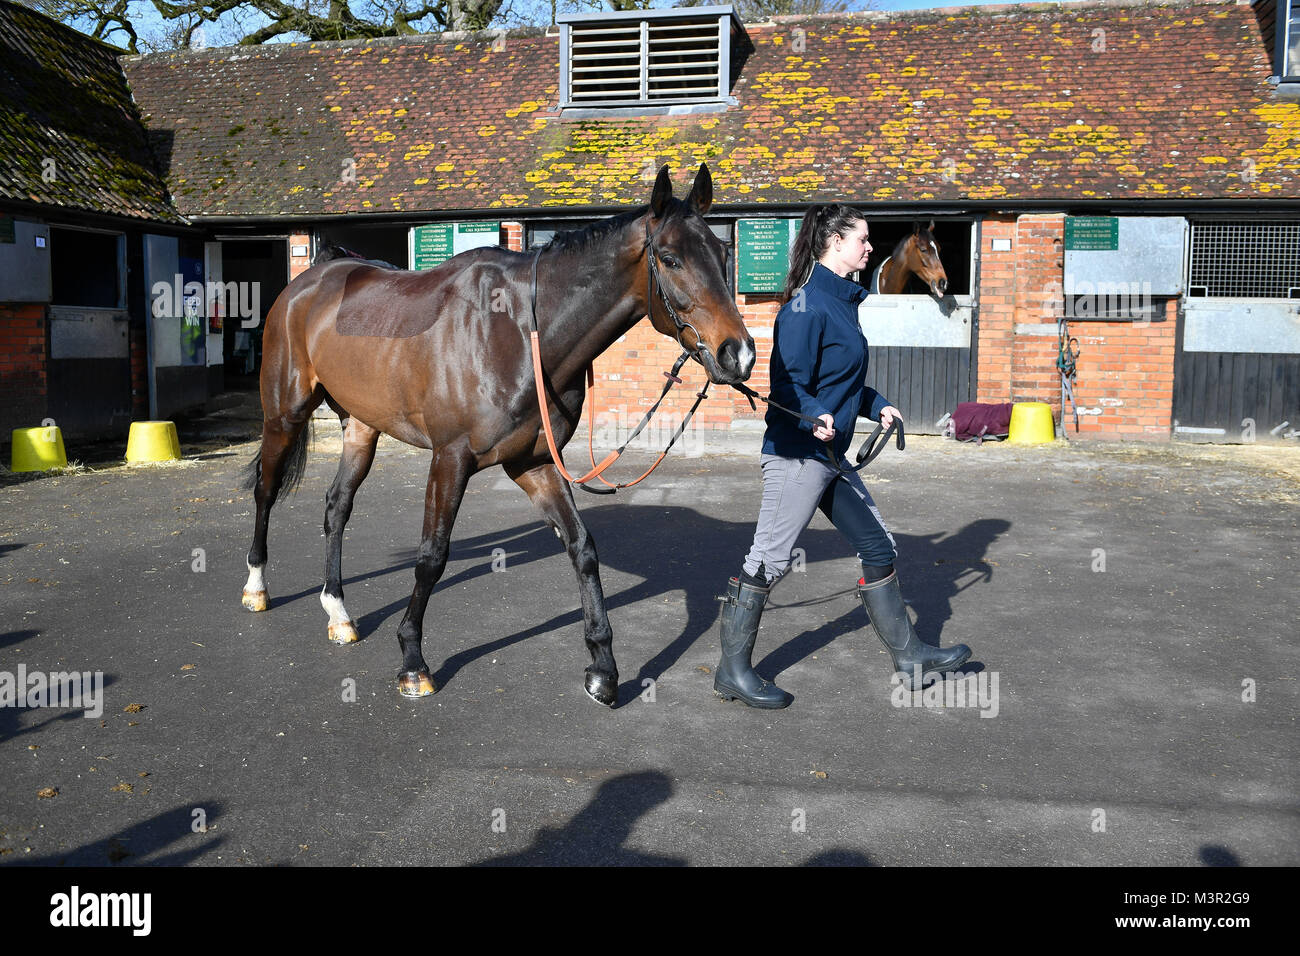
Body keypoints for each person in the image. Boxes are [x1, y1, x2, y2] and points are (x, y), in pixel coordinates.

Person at [714, 204, 972, 708]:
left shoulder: (841, 303)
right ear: (835, 242)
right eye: (863, 240)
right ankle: (731, 671)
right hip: (796, 456)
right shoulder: (804, 308)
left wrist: (878, 404)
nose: (871, 248)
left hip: (831, 457)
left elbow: (843, 379)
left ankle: (910, 657)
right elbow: (788, 385)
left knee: (879, 548)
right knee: (767, 561)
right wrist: (811, 414)